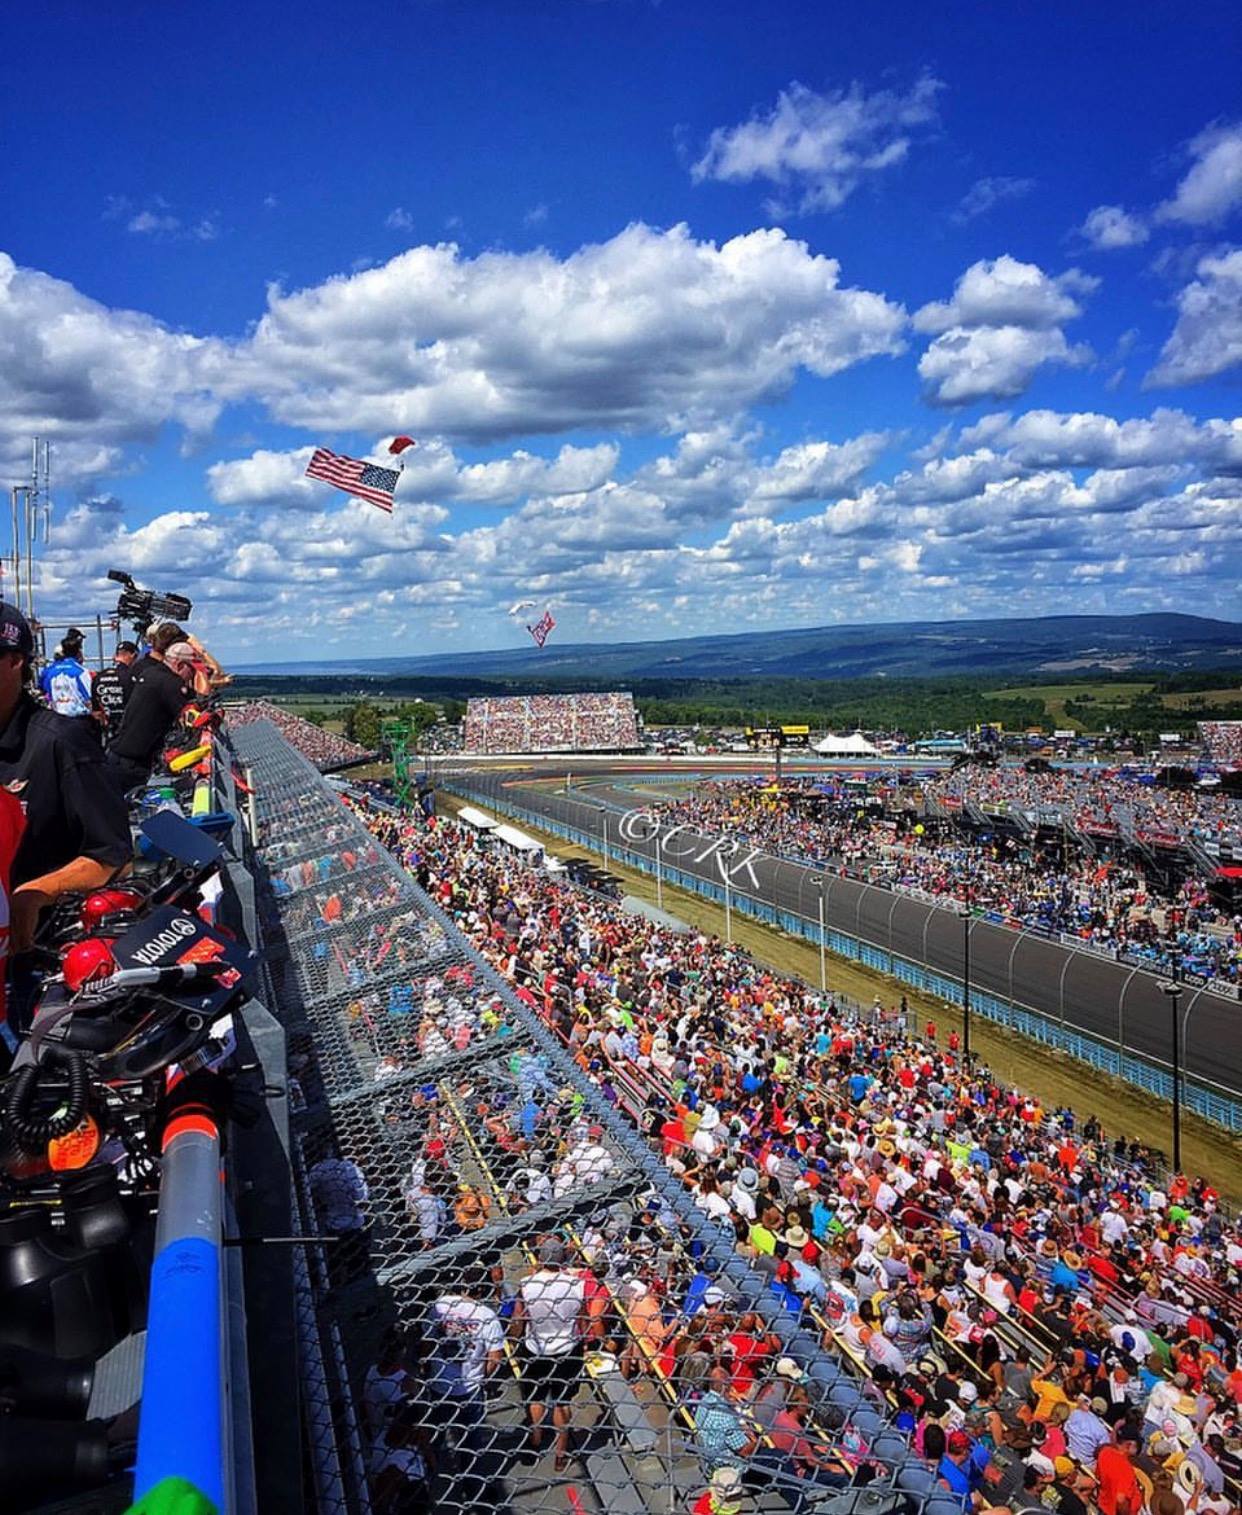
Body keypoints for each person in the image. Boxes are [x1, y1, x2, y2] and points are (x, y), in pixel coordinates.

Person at [0, 604, 131, 969]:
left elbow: (114, 856)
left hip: (33, 958)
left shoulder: (62, 743)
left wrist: (35, 894)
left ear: (15, 662)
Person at [509, 1235, 587, 1471]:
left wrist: (514, 1341)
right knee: (562, 1401)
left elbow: (518, 1318)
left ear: (540, 1258)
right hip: (566, 1348)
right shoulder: (577, 1284)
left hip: (536, 1347)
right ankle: (560, 1454)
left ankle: (535, 1440)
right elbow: (582, 1318)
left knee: (535, 1397)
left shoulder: (527, 1284)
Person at [106, 622, 195, 788]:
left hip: (119, 755)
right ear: (181, 665)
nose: (192, 675)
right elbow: (193, 717)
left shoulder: (151, 672)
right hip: (132, 763)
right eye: (192, 670)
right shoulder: (170, 682)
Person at [38, 626, 93, 720]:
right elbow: (88, 698)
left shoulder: (49, 671)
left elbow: (43, 690)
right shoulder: (81, 672)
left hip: (56, 718)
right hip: (77, 718)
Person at [91, 641, 138, 744]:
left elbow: (96, 711)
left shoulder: (98, 677)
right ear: (133, 655)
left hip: (106, 731)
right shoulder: (131, 677)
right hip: (127, 730)